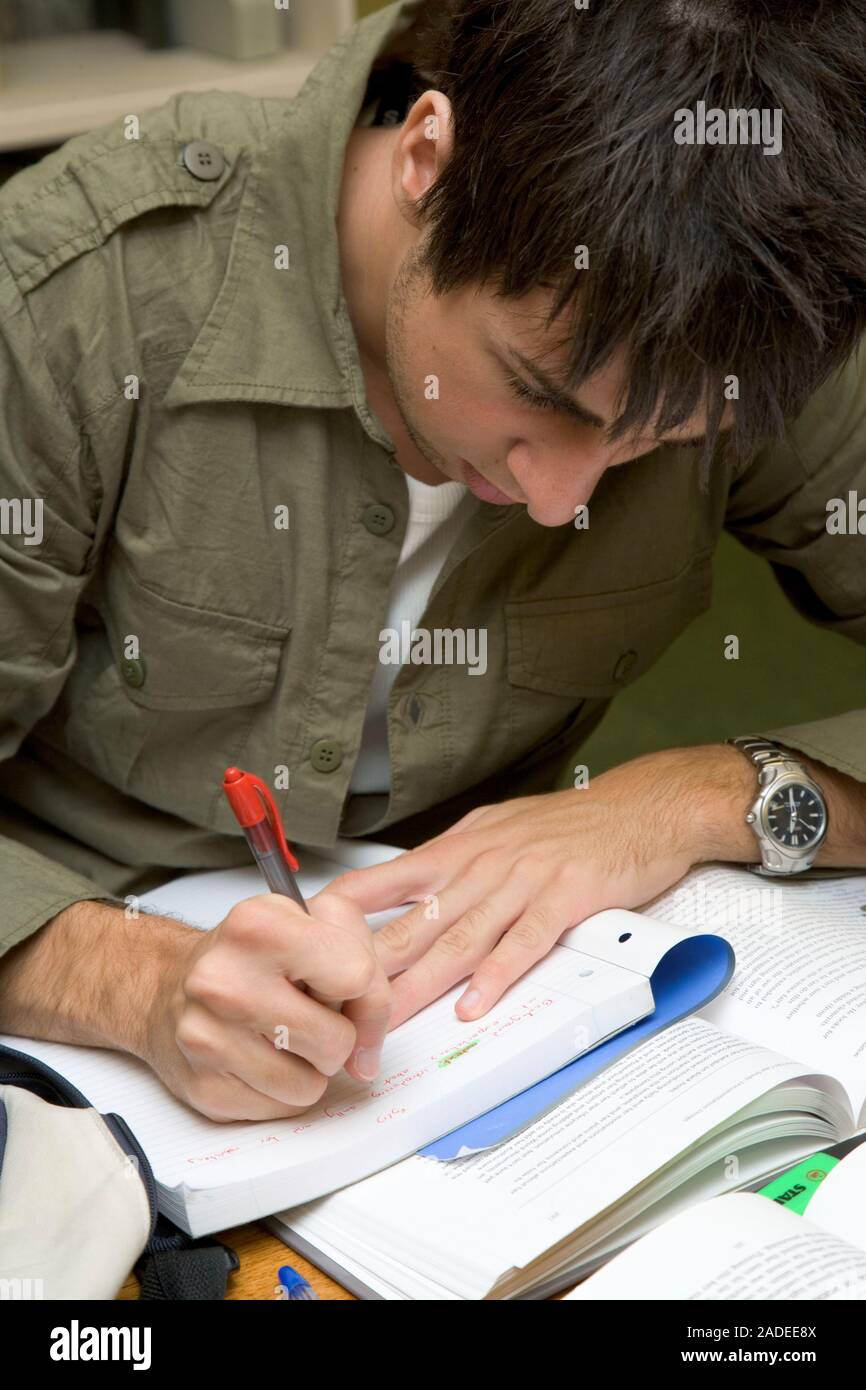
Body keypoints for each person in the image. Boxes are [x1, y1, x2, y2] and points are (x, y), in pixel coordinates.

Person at [0, 0, 864, 1120]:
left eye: (658, 444)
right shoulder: (73, 301)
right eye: (539, 397)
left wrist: (710, 792)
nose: (562, 499)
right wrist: (134, 981)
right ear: (427, 157)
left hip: (489, 1053)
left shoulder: (740, 320)